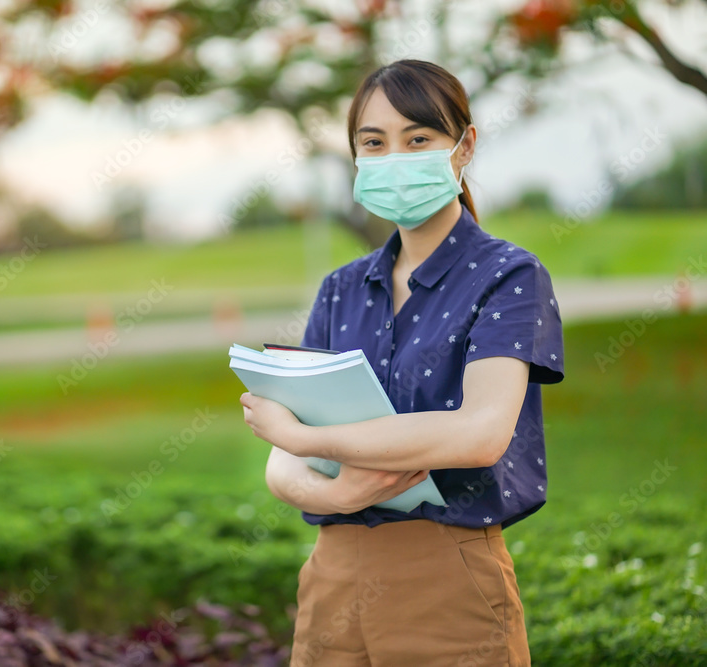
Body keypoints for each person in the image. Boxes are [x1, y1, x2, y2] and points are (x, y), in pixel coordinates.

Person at [239, 59, 564, 667]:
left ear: (463, 146)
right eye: (373, 142)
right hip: (332, 577)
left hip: (448, 578)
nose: (395, 157)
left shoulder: (509, 276)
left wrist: (308, 436)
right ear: (355, 158)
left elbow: (480, 432)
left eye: (418, 139)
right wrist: (336, 493)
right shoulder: (340, 288)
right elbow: (282, 466)